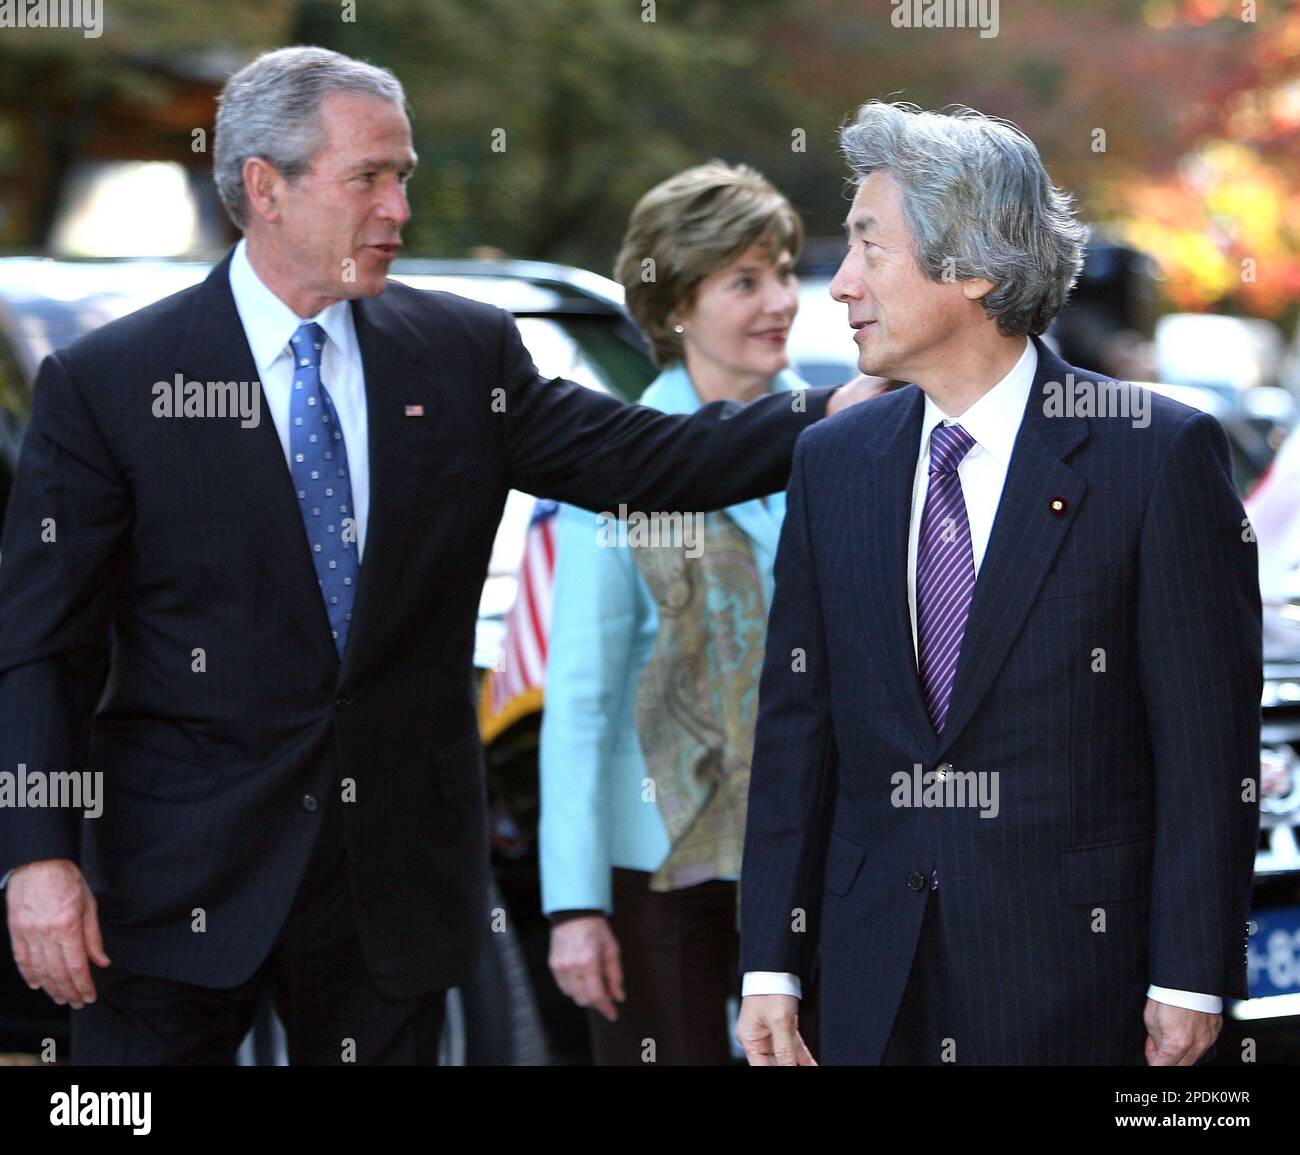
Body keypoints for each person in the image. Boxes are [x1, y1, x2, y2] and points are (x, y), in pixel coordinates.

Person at [0, 47, 866, 1066]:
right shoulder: (112, 381)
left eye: (403, 175)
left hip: (390, 890)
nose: (399, 208)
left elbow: (650, 457)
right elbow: (38, 647)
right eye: (369, 177)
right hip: (170, 886)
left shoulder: (463, 353)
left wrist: (844, 408)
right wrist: (37, 859)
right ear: (264, 188)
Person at [736, 101, 1261, 1067]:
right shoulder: (832, 461)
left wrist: (1191, 975)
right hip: (868, 982)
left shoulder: (1156, 454)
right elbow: (797, 731)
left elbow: (1204, 746)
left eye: (868, 249)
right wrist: (772, 963)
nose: (841, 285)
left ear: (973, 268)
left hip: (1078, 990)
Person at [542, 162, 828, 1064]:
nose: (780, 299)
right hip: (657, 876)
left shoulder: (828, 445)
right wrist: (574, 906)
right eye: (745, 280)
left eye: (783, 271)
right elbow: (580, 701)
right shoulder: (621, 471)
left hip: (811, 862)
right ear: (673, 309)